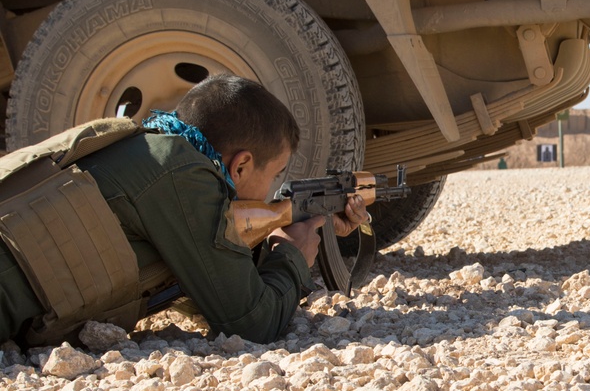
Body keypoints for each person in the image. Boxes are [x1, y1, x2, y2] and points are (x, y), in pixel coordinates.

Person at [0, 74, 369, 347]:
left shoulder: (152, 153)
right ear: (240, 166)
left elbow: (210, 291)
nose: (272, 190)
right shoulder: (182, 174)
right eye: (274, 175)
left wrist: (304, 222)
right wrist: (290, 254)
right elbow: (251, 323)